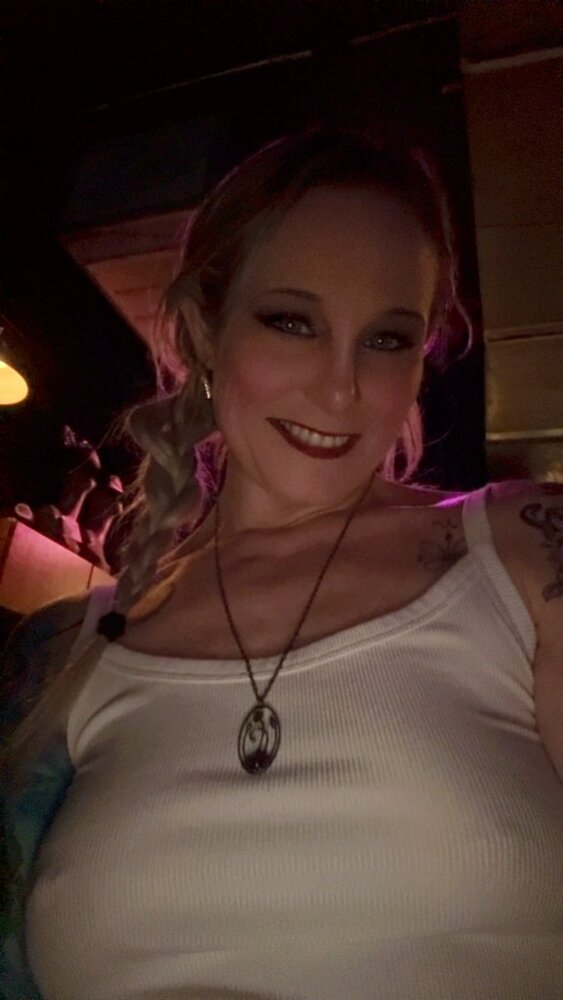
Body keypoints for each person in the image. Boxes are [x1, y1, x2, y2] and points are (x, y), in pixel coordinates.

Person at [1, 125, 562, 1000]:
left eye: (387, 338)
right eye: (292, 322)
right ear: (203, 331)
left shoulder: (525, 549)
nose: (340, 389)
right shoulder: (62, 654)